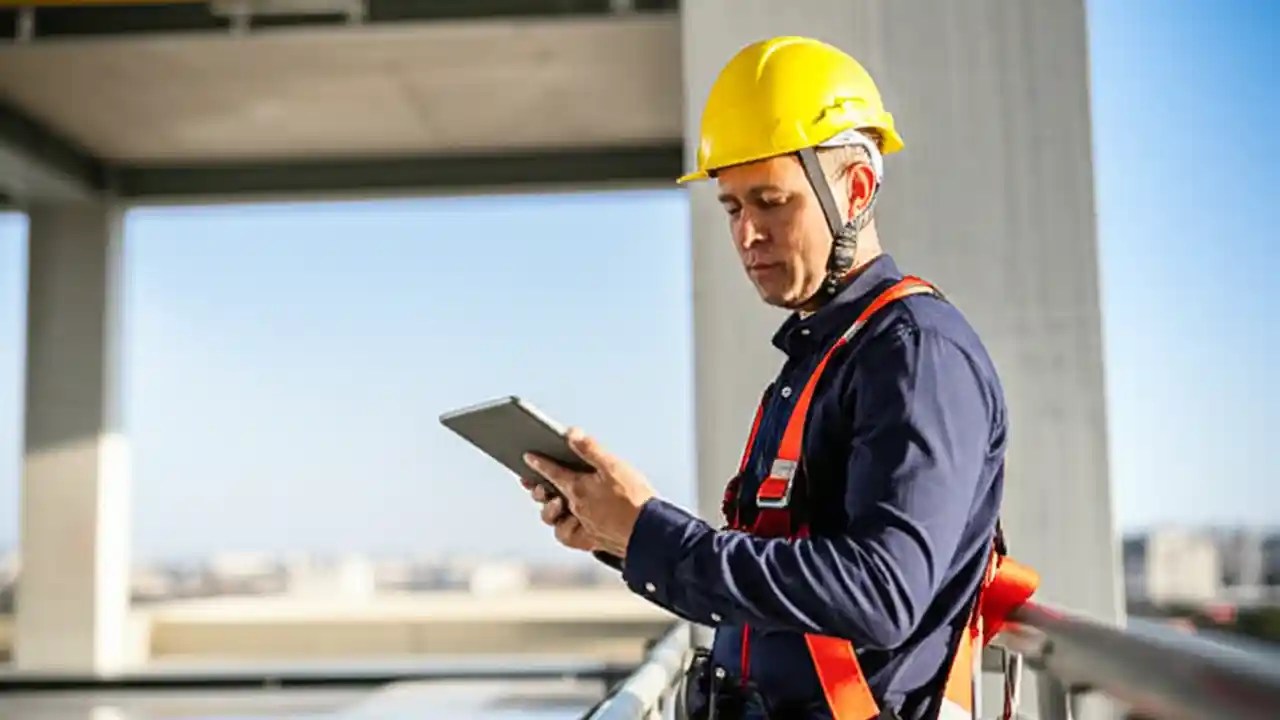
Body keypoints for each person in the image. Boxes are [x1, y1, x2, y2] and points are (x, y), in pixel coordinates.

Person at [520, 35, 1037, 720]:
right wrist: (618, 536)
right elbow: (782, 577)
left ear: (854, 190)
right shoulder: (827, 354)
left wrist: (652, 533)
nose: (747, 234)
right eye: (732, 208)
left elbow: (882, 593)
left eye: (771, 201)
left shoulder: (916, 355)